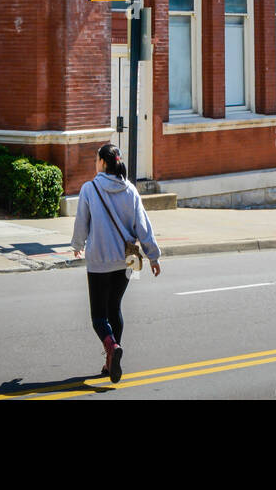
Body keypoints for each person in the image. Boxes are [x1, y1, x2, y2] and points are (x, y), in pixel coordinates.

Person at [71, 142, 161, 383]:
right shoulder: (130, 190)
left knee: (99, 317)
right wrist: (153, 255)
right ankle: (110, 362)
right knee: (115, 309)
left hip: (100, 259)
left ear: (103, 162)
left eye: (96, 160)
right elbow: (143, 226)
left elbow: (82, 222)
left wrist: (77, 245)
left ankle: (112, 347)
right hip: (127, 259)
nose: (95, 163)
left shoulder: (89, 189)